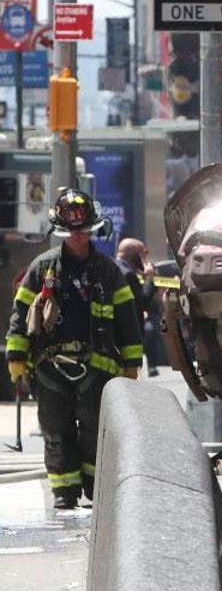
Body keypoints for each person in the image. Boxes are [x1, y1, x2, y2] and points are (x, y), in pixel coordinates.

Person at [5, 190, 142, 509]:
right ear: (62, 232)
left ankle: (94, 487)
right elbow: (20, 315)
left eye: (83, 230)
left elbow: (127, 319)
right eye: (72, 231)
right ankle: (65, 492)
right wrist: (16, 358)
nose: (78, 236)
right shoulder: (42, 269)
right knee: (56, 430)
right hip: (49, 367)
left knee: (95, 430)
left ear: (91, 229)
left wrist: (131, 364)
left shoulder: (108, 272)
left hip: (98, 368)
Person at [115, 238, 164, 377]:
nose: (145, 260)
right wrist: (149, 279)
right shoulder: (128, 274)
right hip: (126, 339)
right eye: (143, 255)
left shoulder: (113, 268)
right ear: (134, 255)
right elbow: (142, 302)